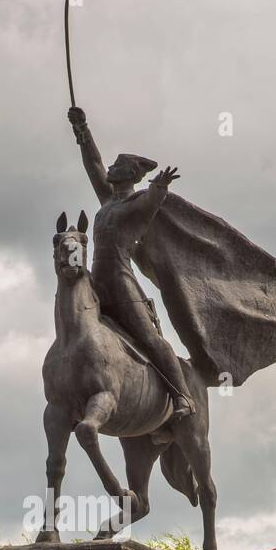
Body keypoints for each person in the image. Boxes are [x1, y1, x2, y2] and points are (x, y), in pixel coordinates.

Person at [67, 106, 195, 419]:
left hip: (121, 282)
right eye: (111, 165)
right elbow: (93, 163)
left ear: (128, 175)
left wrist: (159, 187)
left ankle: (183, 397)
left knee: (150, 339)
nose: (108, 168)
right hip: (97, 279)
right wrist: (82, 130)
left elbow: (153, 200)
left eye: (116, 166)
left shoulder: (136, 203)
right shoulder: (107, 199)